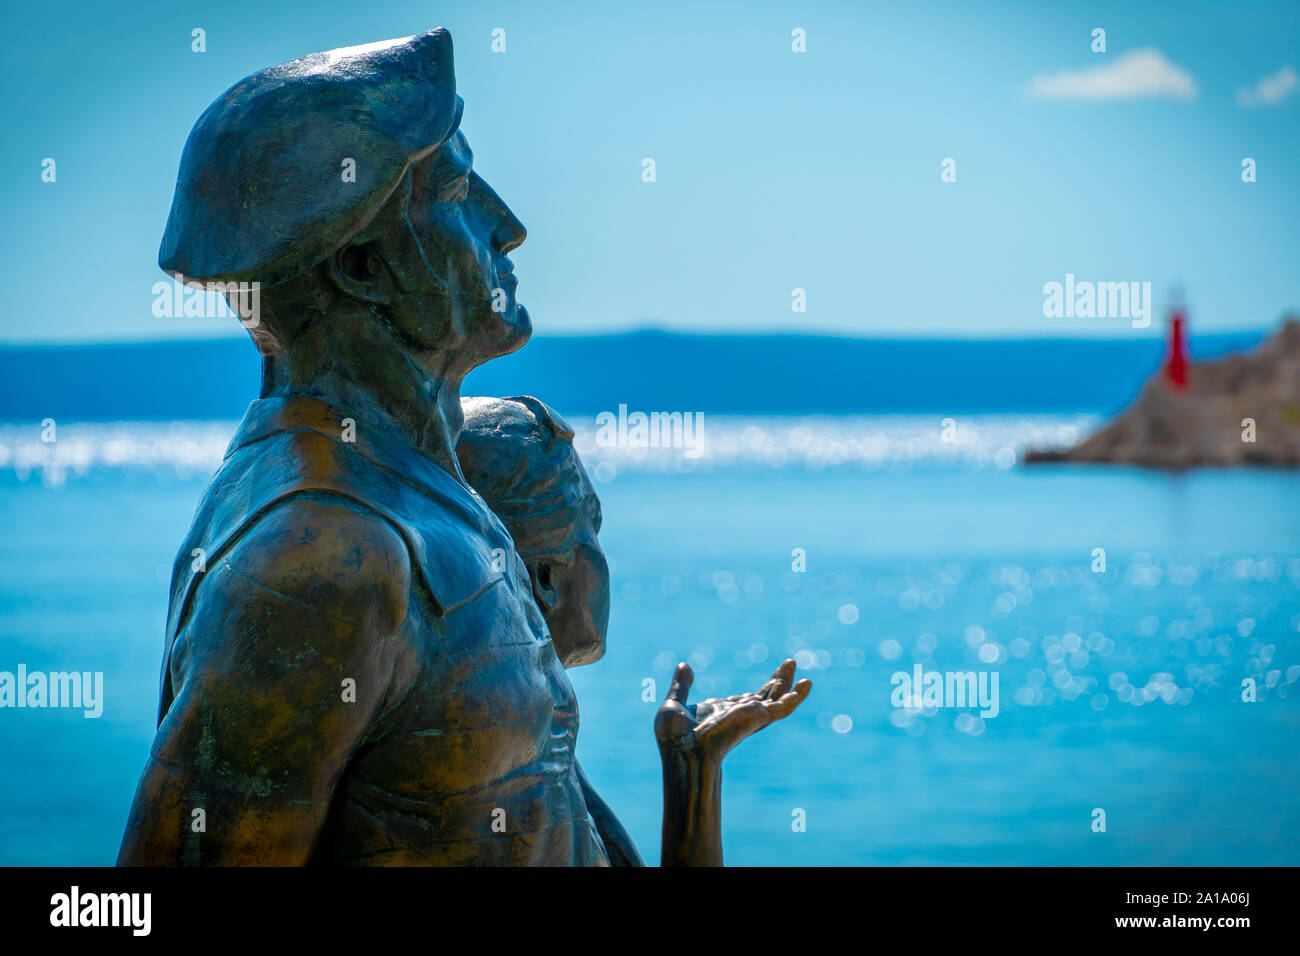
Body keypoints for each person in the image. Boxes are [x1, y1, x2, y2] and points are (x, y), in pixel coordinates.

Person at [457, 395, 811, 865]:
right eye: (592, 530)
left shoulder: (528, 734)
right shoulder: (508, 781)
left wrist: (692, 769)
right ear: (546, 577)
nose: (603, 562)